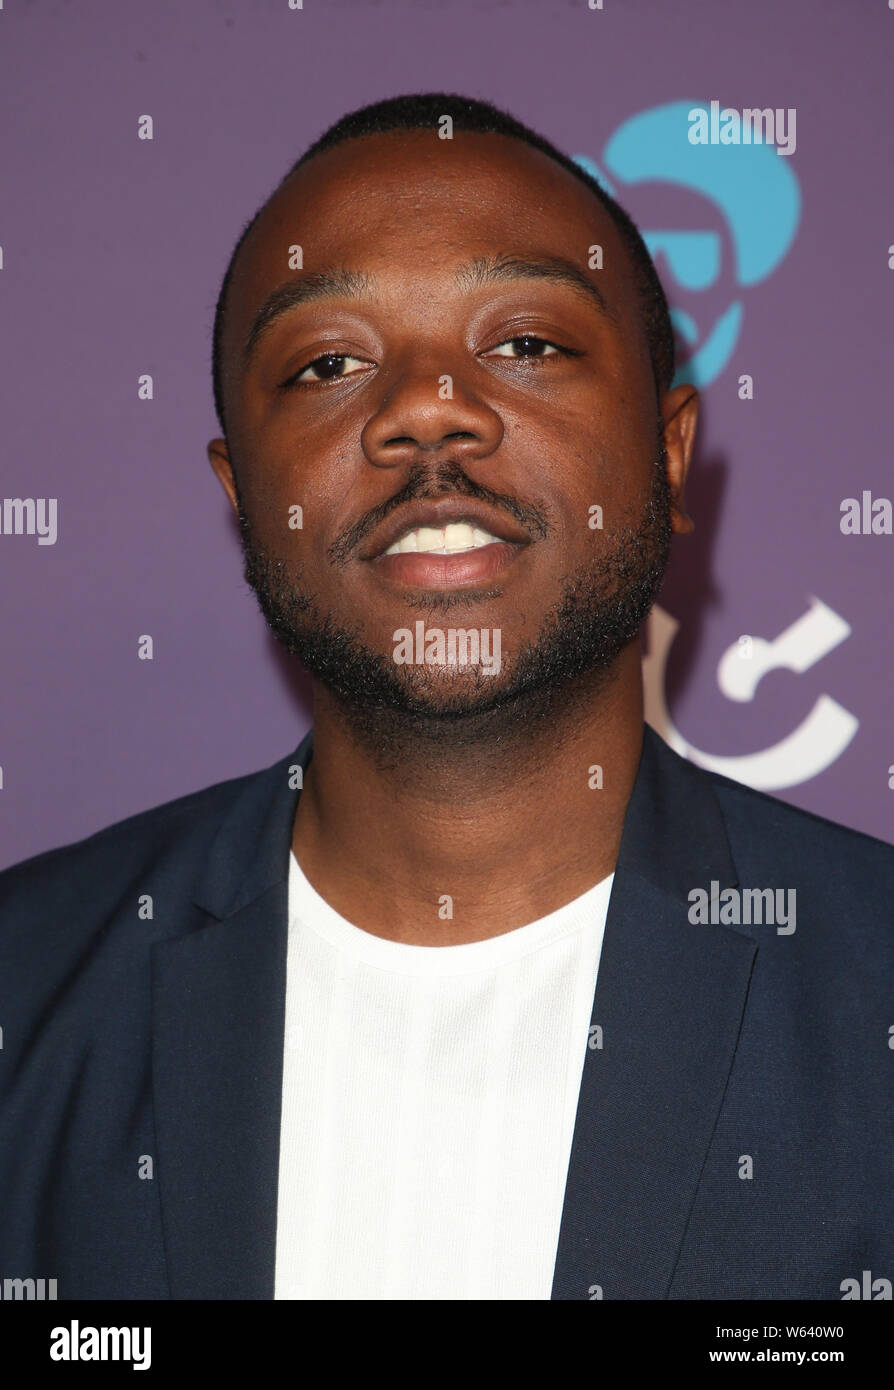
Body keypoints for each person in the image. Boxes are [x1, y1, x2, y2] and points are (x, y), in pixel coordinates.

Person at [0, 92, 891, 1303]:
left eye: (525, 342)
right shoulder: (27, 985)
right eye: (328, 362)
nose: (427, 404)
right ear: (240, 493)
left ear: (670, 454)